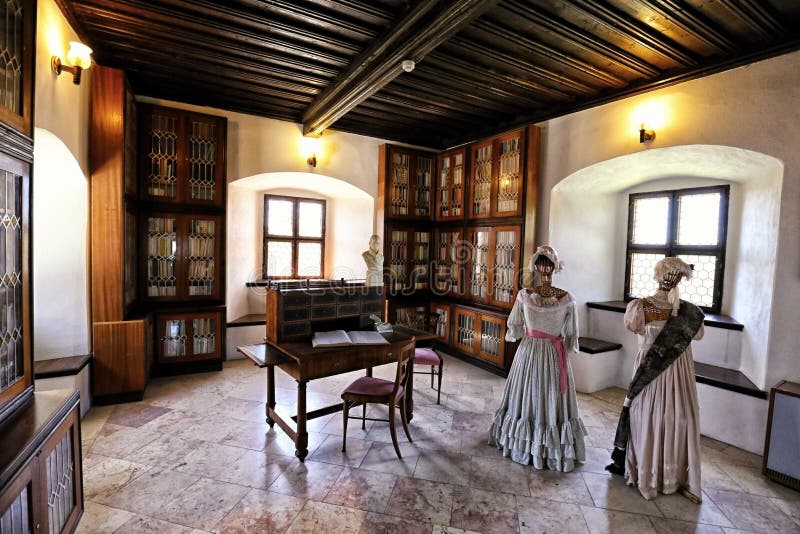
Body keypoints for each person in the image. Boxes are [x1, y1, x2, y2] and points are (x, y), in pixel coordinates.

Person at [606, 257, 704, 502]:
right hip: (649, 374)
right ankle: (647, 473)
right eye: (668, 274)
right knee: (645, 417)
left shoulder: (690, 312)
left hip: (678, 375)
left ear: (681, 278)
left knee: (678, 418)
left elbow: (698, 334)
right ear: (659, 276)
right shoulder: (641, 307)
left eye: (676, 275)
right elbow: (635, 327)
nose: (671, 279)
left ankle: (672, 476)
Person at [489, 245, 586, 471]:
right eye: (541, 262)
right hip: (529, 354)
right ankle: (523, 443)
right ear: (535, 265)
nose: (544, 267)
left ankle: (550, 449)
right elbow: (515, 325)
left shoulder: (566, 299)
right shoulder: (524, 296)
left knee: (550, 398)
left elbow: (572, 333)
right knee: (525, 397)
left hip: (553, 356)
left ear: (555, 267)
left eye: (549, 263)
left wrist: (568, 344)